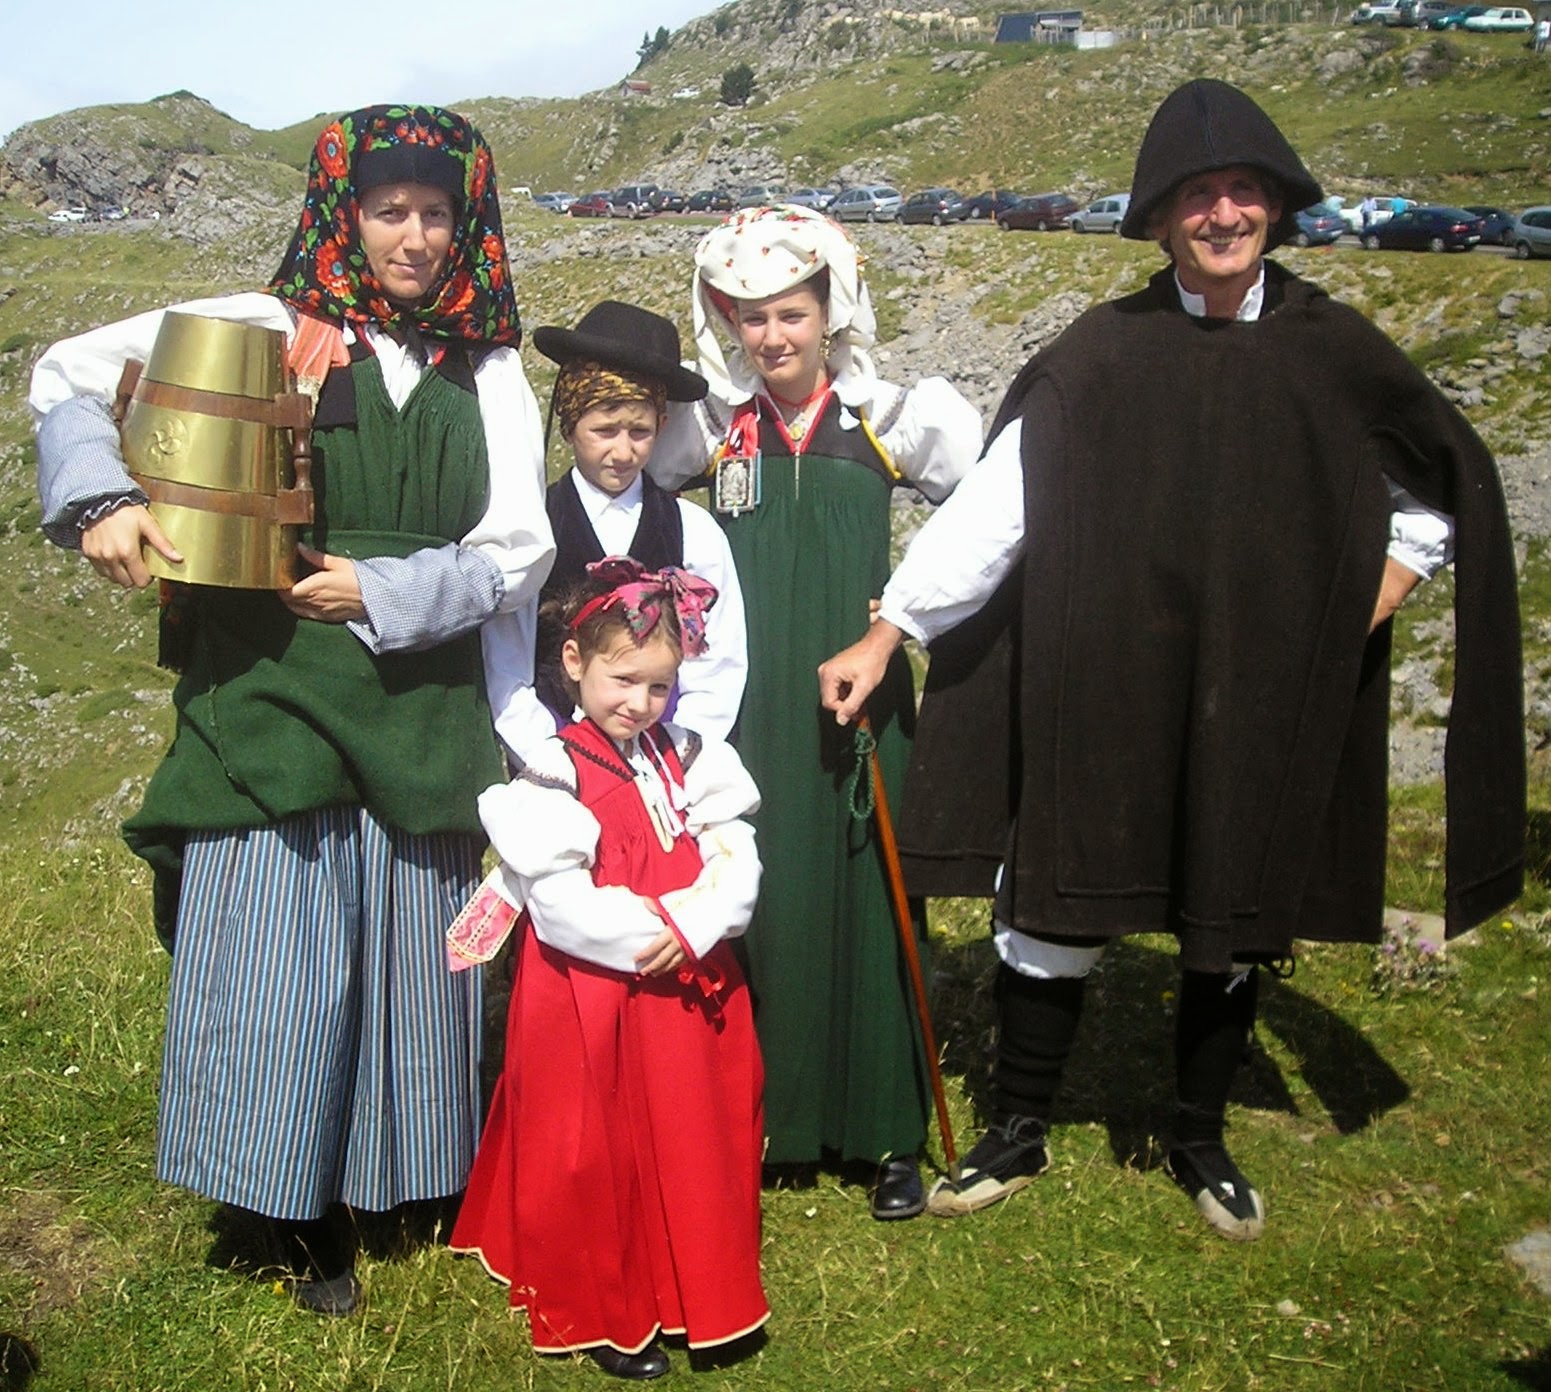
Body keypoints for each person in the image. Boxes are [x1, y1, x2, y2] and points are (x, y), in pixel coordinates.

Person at [819, 79, 1523, 1240]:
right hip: (1105, 686)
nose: (1224, 213)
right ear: (1160, 219)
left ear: (1276, 208)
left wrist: (1375, 589)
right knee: (1052, 900)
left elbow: (1440, 489)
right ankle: (1021, 1125)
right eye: (1199, 196)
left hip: (1250, 695)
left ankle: (1199, 1137)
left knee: (1228, 903)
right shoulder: (1102, 354)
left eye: (1244, 191)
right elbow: (1000, 509)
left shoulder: (1335, 354)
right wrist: (893, 625)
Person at [29, 104, 551, 1311]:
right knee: (287, 952)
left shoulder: (490, 370)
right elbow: (62, 371)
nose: (413, 239)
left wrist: (384, 587)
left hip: (418, 695)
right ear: (342, 213)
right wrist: (101, 499)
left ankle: (390, 1175)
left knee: (410, 963)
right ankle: (283, 1207)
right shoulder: (271, 326)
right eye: (389, 211)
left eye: (437, 214)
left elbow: (517, 547)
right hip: (270, 684)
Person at [651, 204, 983, 1219]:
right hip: (745, 711)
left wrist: (908, 613)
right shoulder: (710, 429)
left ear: (829, 309)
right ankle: (768, 1119)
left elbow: (979, 514)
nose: (772, 337)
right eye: (749, 319)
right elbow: (639, 507)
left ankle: (883, 1132)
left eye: (790, 313)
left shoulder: (888, 418)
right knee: (766, 896)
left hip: (861, 697)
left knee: (869, 902)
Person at [449, 559, 767, 1381]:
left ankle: (691, 1285)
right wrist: (652, 932)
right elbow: (560, 905)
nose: (640, 703)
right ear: (574, 664)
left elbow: (734, 853)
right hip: (592, 989)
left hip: (685, 982)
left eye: (659, 687)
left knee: (694, 1133)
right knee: (597, 1148)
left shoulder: (689, 755)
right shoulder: (555, 771)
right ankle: (601, 1301)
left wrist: (697, 922)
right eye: (624, 680)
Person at [483, 300, 746, 762]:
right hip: (558, 757)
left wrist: (682, 751)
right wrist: (554, 756)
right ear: (569, 422)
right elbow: (507, 666)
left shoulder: (693, 532)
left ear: (662, 426)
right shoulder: (530, 528)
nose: (622, 452)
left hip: (664, 757)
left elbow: (718, 664)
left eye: (640, 432)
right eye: (604, 430)